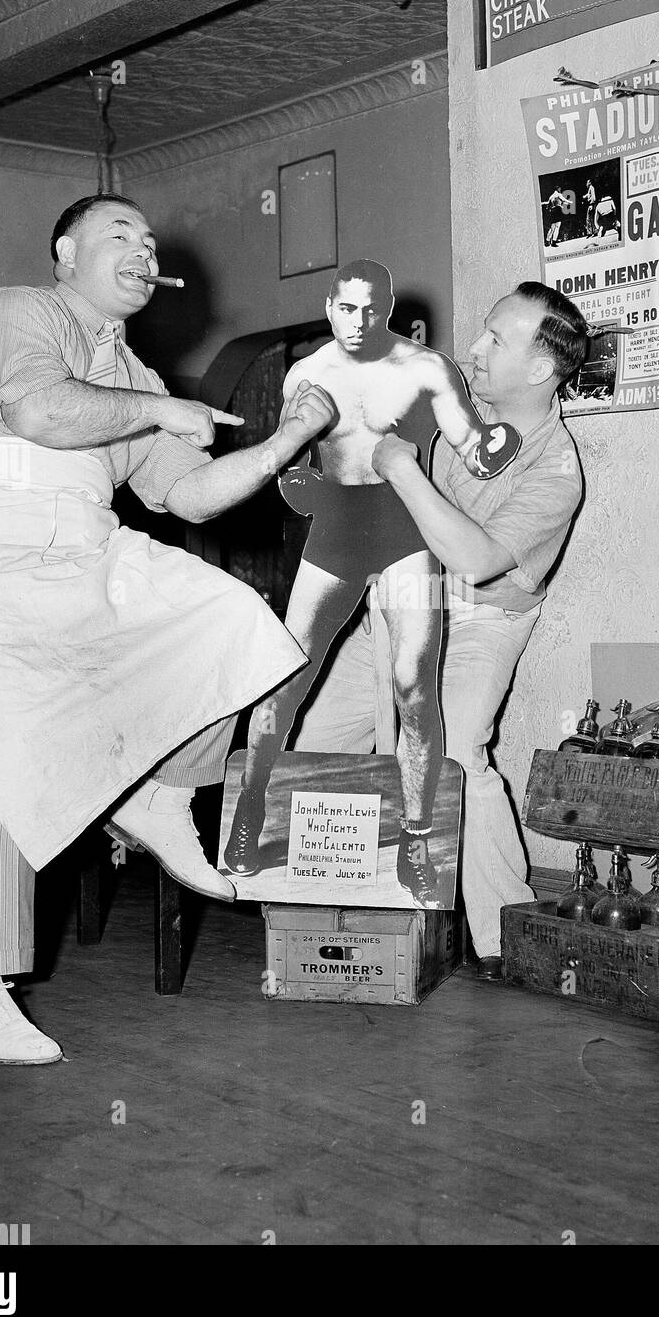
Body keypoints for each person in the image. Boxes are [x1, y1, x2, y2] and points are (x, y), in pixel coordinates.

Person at [0, 193, 335, 1066]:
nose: (142, 249)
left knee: (236, 621)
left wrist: (289, 436)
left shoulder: (136, 379)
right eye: (117, 234)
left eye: (149, 240)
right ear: (64, 251)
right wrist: (162, 414)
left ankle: (162, 797)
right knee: (11, 735)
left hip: (83, 546)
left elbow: (192, 494)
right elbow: (41, 414)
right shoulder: (19, 310)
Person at [293, 282, 586, 979]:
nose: (473, 350)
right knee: (315, 748)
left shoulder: (556, 468)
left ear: (542, 368)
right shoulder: (443, 404)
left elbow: (478, 559)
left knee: (451, 753)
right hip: (398, 601)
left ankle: (504, 937)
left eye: (495, 340)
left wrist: (398, 466)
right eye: (479, 333)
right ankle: (315, 924)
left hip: (481, 618)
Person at [224, 260, 522, 906]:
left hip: (405, 533)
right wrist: (294, 488)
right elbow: (292, 465)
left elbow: (471, 442)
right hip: (334, 531)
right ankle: (250, 812)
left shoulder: (425, 368)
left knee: (414, 688)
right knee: (286, 675)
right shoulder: (305, 375)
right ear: (329, 306)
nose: (357, 323)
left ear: (386, 309)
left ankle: (416, 841)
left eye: (370, 310)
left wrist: (491, 446)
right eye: (345, 308)